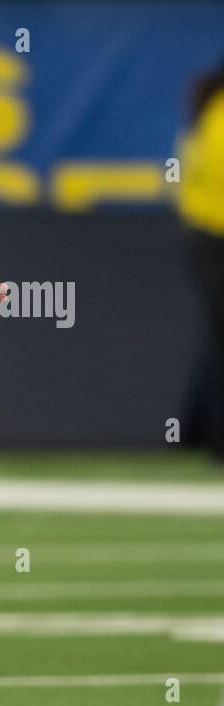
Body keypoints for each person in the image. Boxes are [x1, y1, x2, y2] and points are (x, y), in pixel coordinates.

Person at [178, 59, 224, 459]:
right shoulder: (220, 118)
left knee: (217, 338)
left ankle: (197, 431)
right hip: (216, 238)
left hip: (203, 237)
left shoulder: (210, 112)